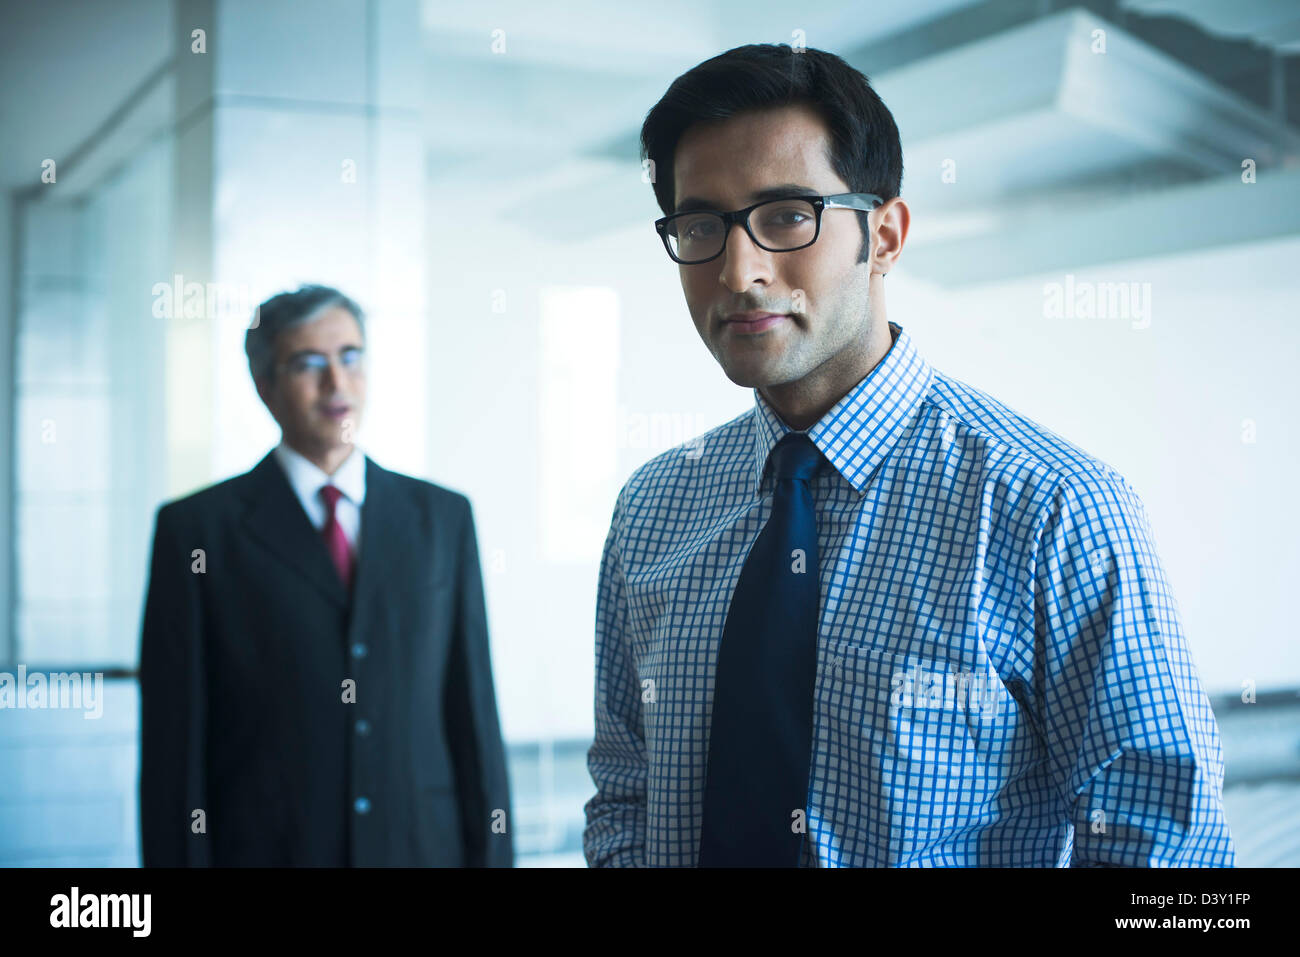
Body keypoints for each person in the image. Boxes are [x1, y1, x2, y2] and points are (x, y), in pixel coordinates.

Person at [583, 44, 1235, 867]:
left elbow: (1169, 858)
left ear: (884, 236)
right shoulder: (652, 509)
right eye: (703, 225)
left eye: (788, 215)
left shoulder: (1053, 508)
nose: (739, 271)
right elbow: (626, 795)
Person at [139, 284, 512, 866]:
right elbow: (173, 749)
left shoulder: (442, 519)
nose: (336, 384)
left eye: (350, 357)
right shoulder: (197, 532)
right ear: (265, 386)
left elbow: (474, 719)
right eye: (308, 365)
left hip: (420, 850)